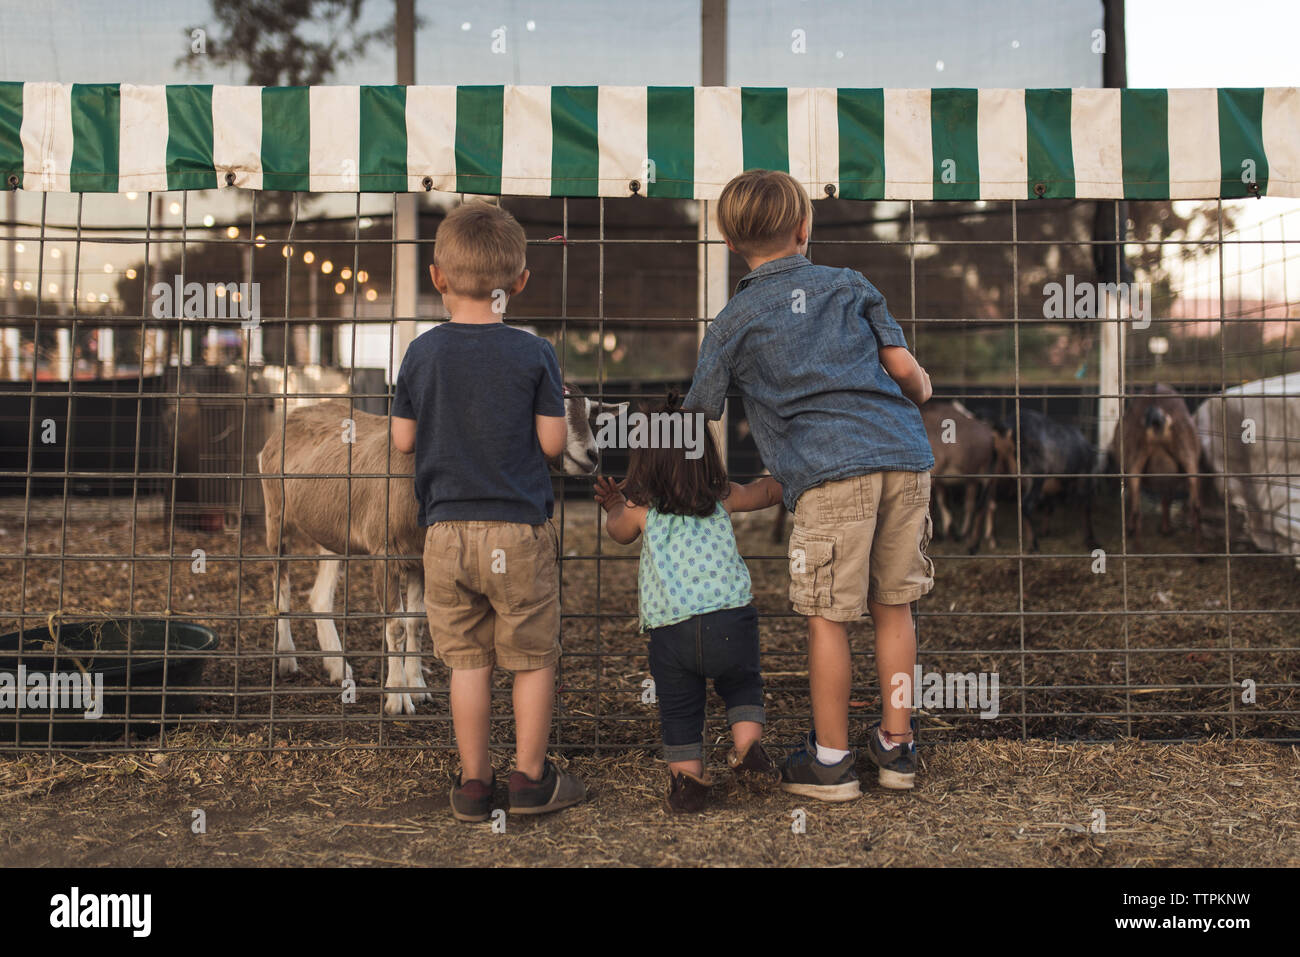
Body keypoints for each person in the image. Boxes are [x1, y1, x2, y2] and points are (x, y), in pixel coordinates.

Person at [684, 169, 936, 801]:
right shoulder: (851, 286)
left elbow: (696, 413)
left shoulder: (733, 321)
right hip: (905, 459)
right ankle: (896, 749)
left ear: (728, 240)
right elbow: (908, 374)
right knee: (894, 606)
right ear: (804, 227)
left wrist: (669, 482)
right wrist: (920, 389)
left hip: (829, 476)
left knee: (828, 617)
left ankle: (830, 761)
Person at [391, 201, 585, 822]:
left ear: (437, 276)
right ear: (519, 283)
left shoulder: (422, 352)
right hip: (518, 531)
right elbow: (555, 446)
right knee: (530, 657)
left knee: (466, 660)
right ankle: (529, 778)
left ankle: (474, 783)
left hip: (444, 532)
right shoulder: (534, 353)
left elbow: (400, 440)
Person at [593, 396, 784, 812]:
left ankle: (688, 780)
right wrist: (793, 476)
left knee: (679, 706)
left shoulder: (639, 508)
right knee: (742, 682)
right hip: (732, 619)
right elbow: (766, 491)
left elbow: (619, 534)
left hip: (672, 630)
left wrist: (612, 505)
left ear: (644, 460)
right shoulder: (722, 495)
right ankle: (749, 748)